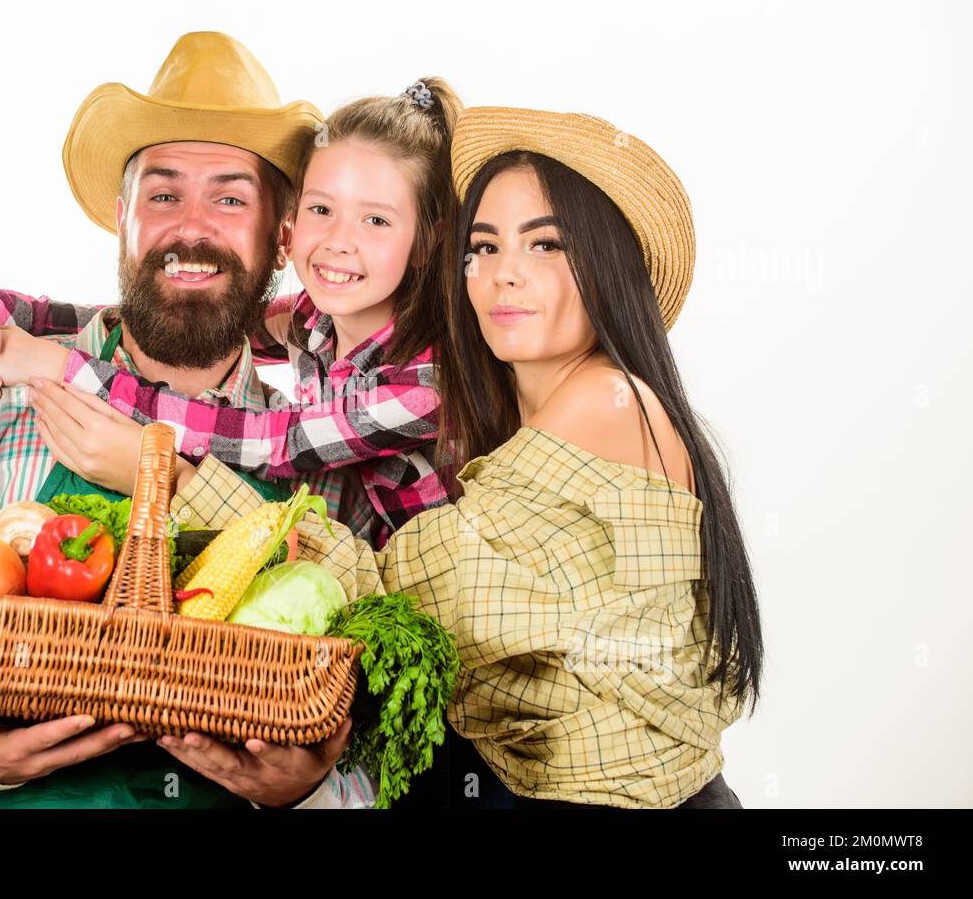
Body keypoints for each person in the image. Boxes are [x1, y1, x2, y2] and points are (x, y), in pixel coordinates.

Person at [66, 105, 764, 808]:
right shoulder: (475, 392)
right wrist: (13, 314)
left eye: (545, 245)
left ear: (606, 265)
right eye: (485, 247)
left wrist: (174, 476)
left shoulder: (602, 400)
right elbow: (200, 308)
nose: (505, 275)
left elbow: (394, 592)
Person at [0, 32, 374, 809]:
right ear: (121, 220)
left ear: (281, 237)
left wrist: (310, 793)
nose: (191, 228)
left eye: (230, 197)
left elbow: (382, 751)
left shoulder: (320, 453)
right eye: (163, 195)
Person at [0, 77, 464, 549]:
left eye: (230, 200)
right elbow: (183, 305)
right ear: (296, 228)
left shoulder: (423, 386)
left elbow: (273, 441)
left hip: (432, 589)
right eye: (322, 210)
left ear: (278, 236)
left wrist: (67, 379)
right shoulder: (314, 321)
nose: (339, 241)